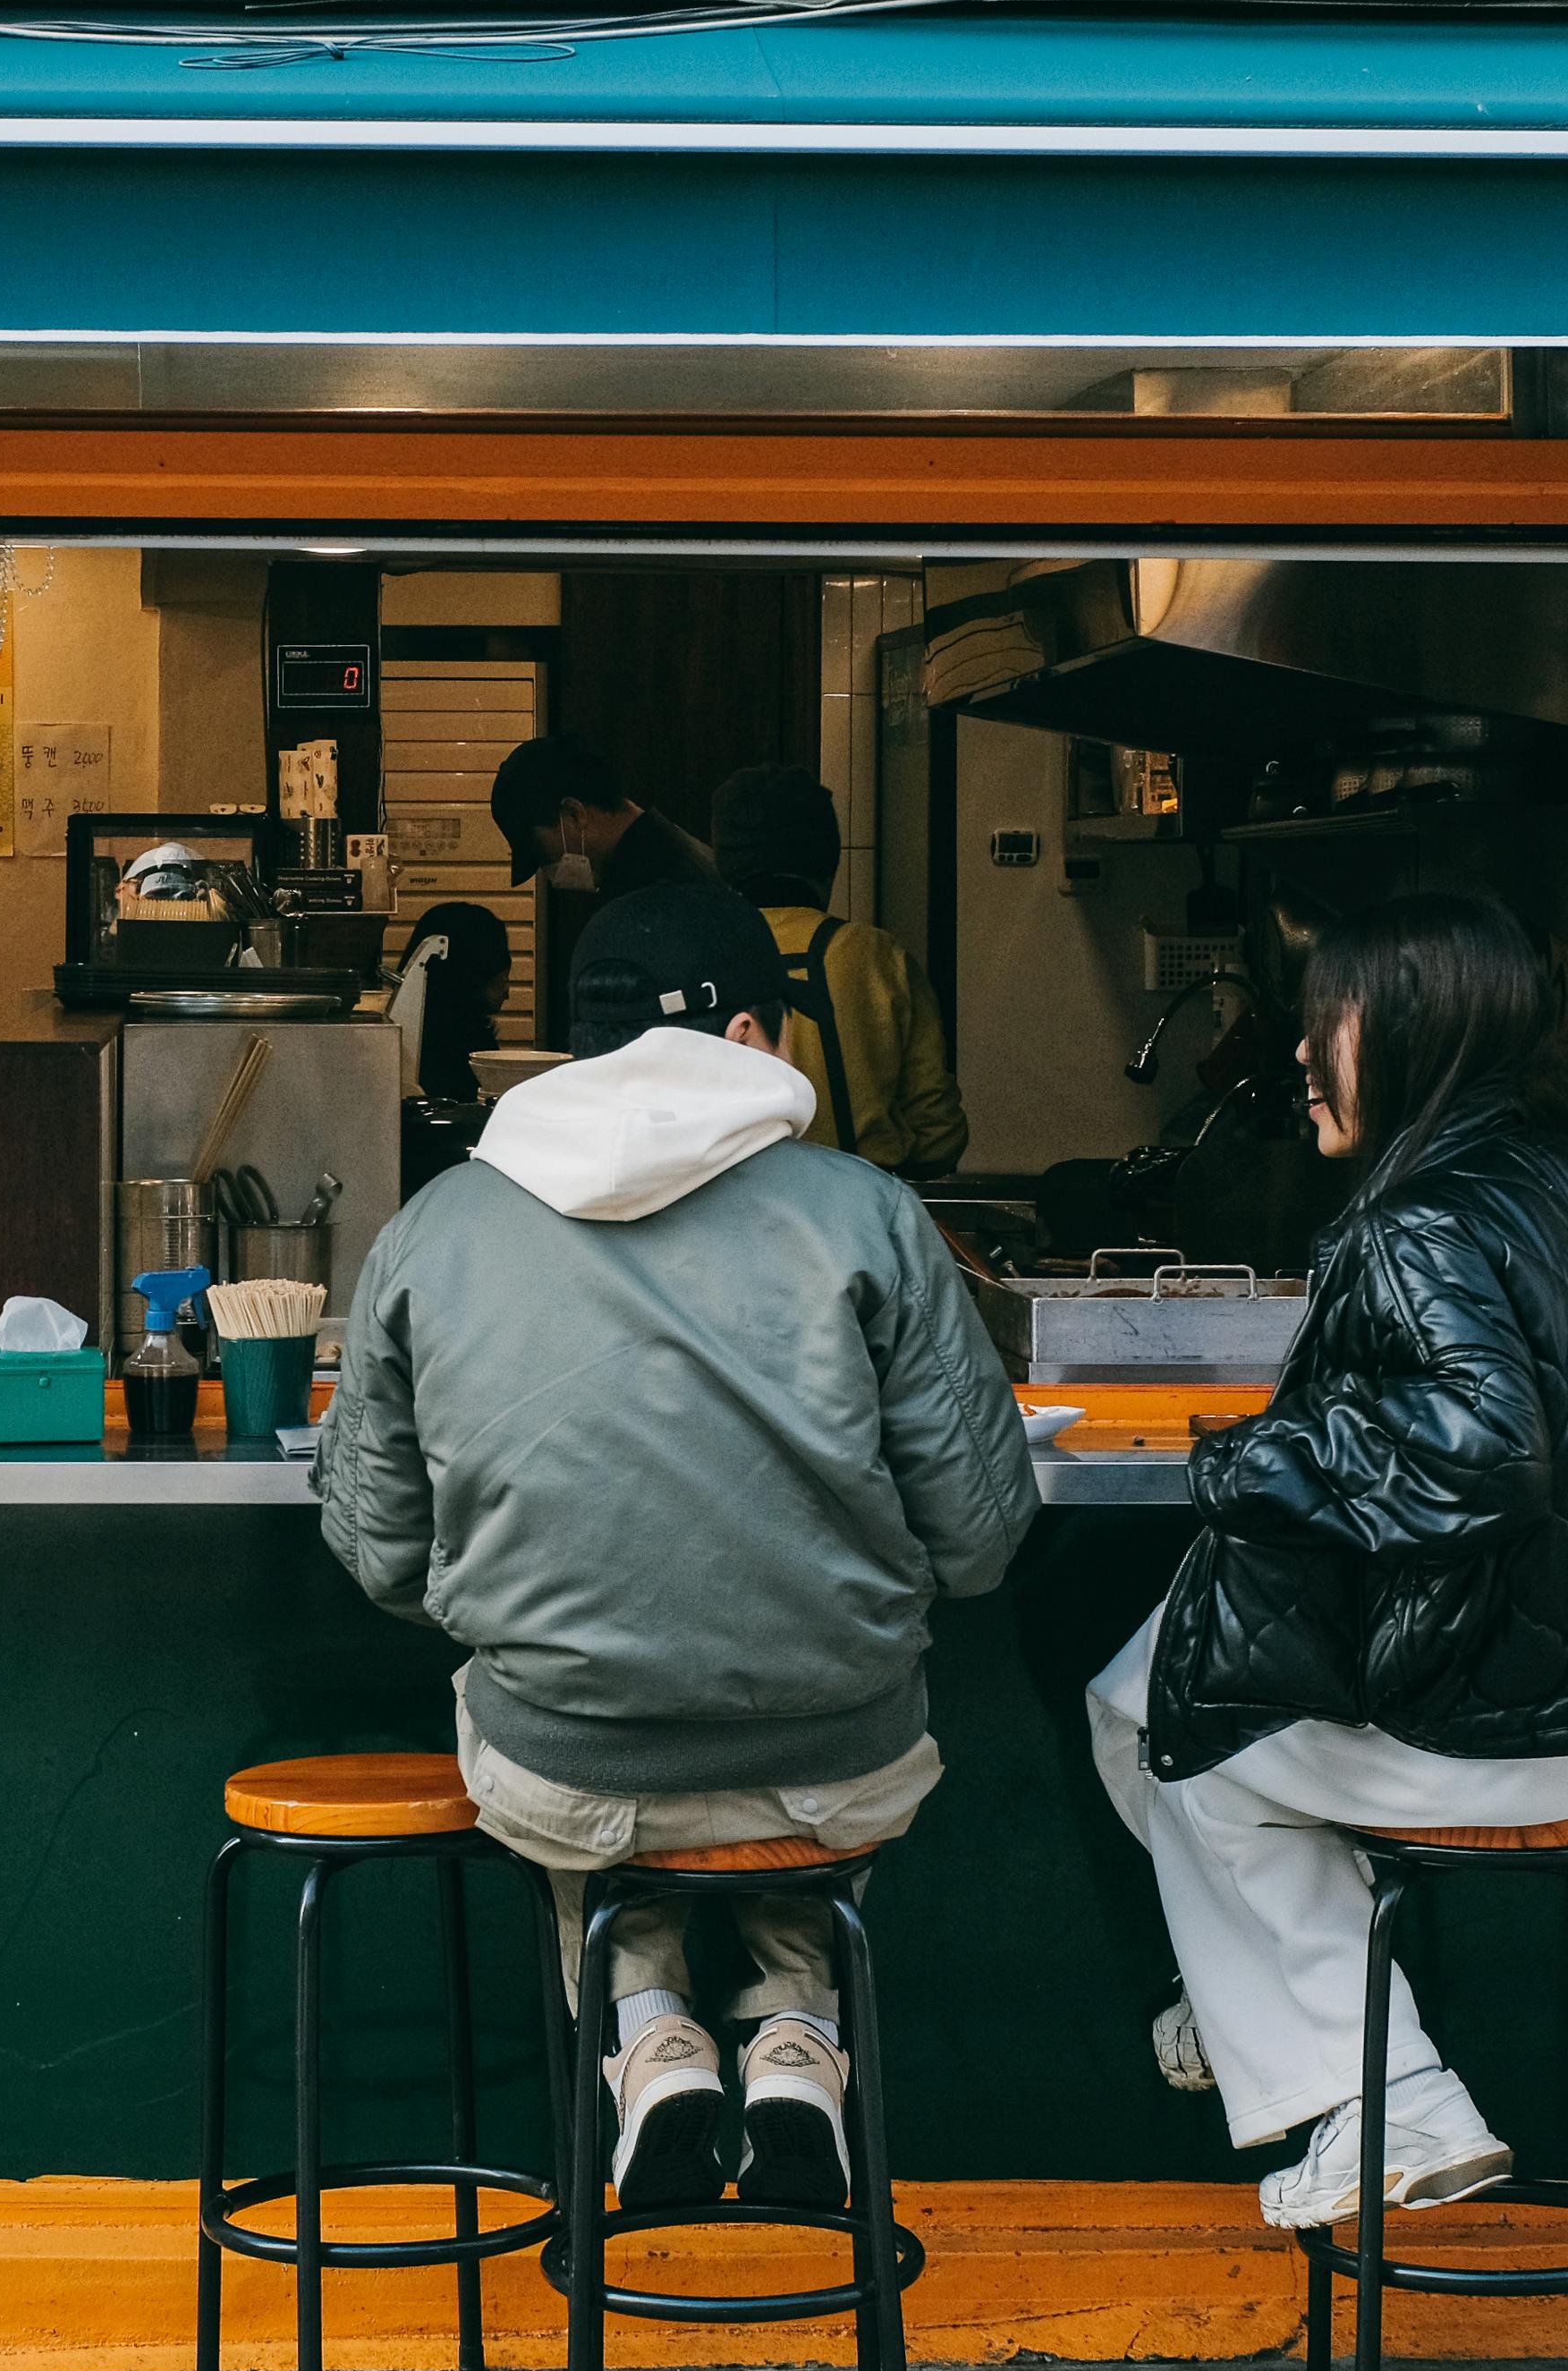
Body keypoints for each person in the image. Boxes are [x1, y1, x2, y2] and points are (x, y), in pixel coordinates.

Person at [318, 880, 1038, 2206]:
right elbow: (983, 1537)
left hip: (568, 1767)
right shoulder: (869, 1211)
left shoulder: (434, 1228)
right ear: (759, 1039)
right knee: (779, 1746)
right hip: (837, 1762)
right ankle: (795, 2037)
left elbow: (377, 1551)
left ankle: (646, 2042)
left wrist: (558, 1602)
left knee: (585, 1755)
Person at [1088, 888, 1568, 2231]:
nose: (1296, 1049)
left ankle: (1393, 2101)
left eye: (1324, 1019)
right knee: (1133, 1689)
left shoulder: (1412, 1224)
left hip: (1502, 1718)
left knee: (1184, 1737)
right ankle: (1262, 2019)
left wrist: (1240, 1461)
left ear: (1404, 1032)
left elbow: (1479, 1449)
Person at [706, 761, 967, 1179]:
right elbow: (938, 1135)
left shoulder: (695, 953)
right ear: (827, 862)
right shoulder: (875, 955)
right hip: (862, 1212)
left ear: (726, 864)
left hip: (725, 1217)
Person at [488, 734, 711, 901]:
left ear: (575, 814)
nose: (548, 871)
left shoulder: (653, 890)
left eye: (540, 852)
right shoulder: (671, 850)